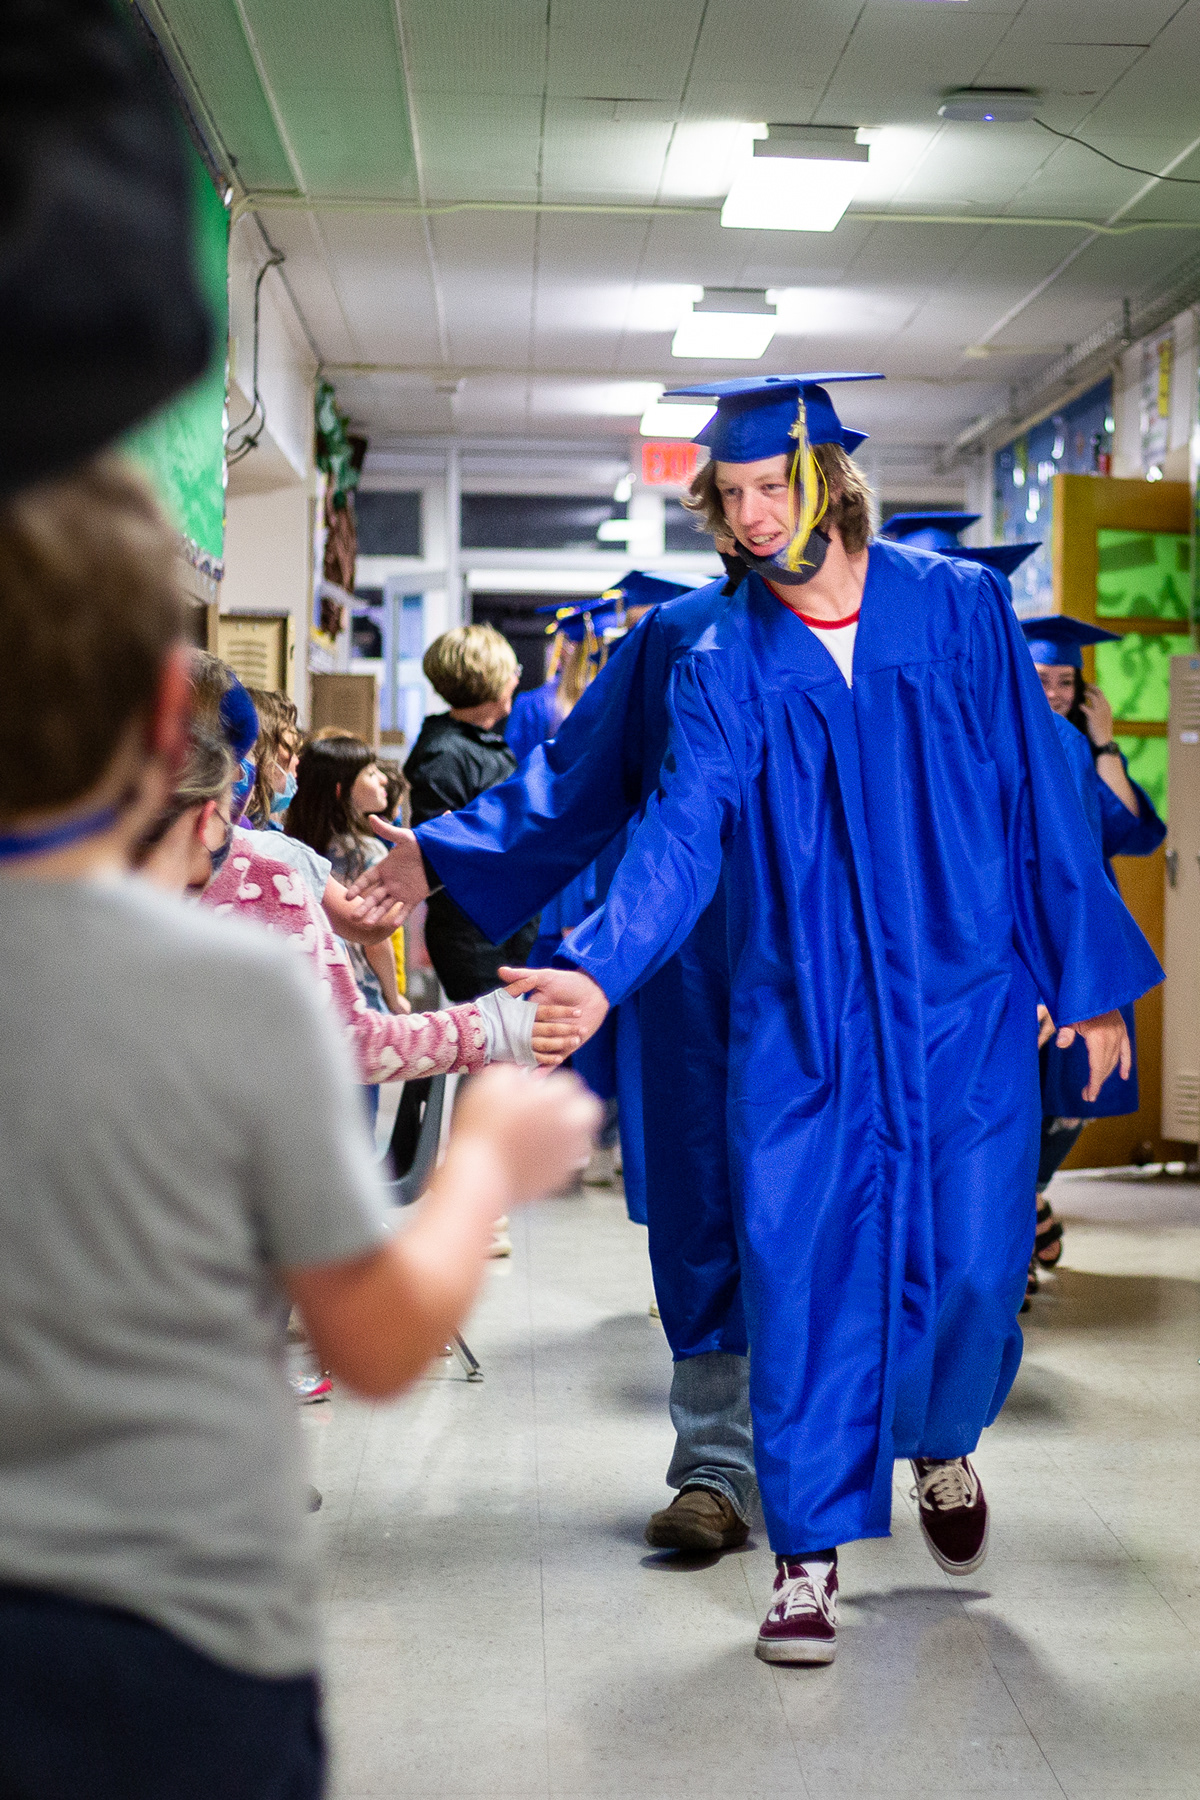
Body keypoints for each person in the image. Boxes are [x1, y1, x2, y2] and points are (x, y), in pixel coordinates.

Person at [488, 372, 1163, 1664]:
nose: (752, 516)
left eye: (772, 487)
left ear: (830, 483)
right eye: (731, 494)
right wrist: (601, 967)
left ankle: (943, 1442)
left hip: (961, 1009)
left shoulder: (957, 610)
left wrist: (1086, 991)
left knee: (977, 1270)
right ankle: (805, 1561)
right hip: (803, 1017)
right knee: (801, 1280)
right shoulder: (724, 659)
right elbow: (681, 831)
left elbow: (1041, 795)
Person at [0, 453, 600, 1796]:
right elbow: (371, 1338)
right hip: (177, 1603)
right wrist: (485, 1162)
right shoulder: (234, 984)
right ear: (216, 802)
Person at [352, 582, 758, 1555]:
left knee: (853, 1204)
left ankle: (869, 1438)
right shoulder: (678, 636)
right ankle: (716, 1463)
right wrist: (445, 854)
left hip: (856, 967)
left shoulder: (922, 621)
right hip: (689, 948)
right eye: (729, 503)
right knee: (704, 1204)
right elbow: (580, 776)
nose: (754, 517)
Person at [1020, 614, 1167, 1274]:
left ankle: (1030, 1199)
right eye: (1041, 678)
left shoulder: (1076, 747)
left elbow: (1133, 831)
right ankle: (1021, 1217)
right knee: (1023, 1087)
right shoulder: (1009, 741)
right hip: (1035, 930)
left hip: (1087, 927)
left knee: (1080, 1089)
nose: (1053, 692)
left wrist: (1104, 742)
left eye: (1065, 681)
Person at [405, 623, 537, 1000]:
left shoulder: (475, 744)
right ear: (488, 679)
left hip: (498, 926)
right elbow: (446, 852)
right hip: (475, 936)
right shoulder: (446, 754)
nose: (516, 680)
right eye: (511, 671)